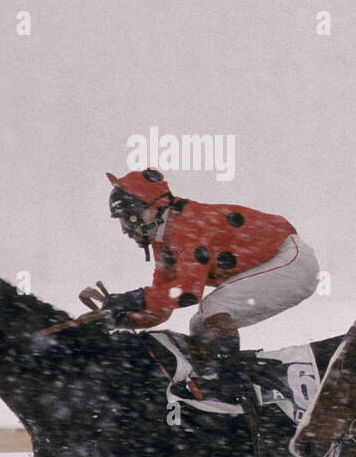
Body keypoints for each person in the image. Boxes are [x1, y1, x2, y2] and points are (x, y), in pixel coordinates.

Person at [100, 168, 321, 403]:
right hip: (284, 264)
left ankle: (228, 381)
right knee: (200, 322)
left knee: (213, 307)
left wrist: (132, 299)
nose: (124, 229)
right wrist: (117, 319)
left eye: (127, 217)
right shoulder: (163, 244)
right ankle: (221, 378)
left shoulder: (187, 223)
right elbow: (161, 309)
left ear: (153, 207)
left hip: (291, 259)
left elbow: (187, 292)